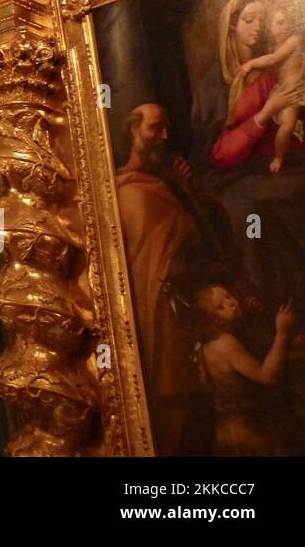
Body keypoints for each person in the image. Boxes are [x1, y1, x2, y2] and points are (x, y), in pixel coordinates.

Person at [115, 102, 227, 454]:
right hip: (157, 315)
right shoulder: (123, 190)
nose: (164, 136)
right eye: (155, 128)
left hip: (188, 305)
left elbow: (209, 241)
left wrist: (191, 191)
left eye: (166, 129)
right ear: (134, 131)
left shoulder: (169, 183)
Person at [192, 284, 296, 456]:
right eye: (220, 306)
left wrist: (256, 314)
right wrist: (282, 333)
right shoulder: (225, 343)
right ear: (212, 319)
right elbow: (268, 377)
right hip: (246, 431)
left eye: (227, 296)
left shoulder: (210, 343)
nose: (231, 303)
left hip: (232, 427)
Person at [212, 0, 305, 170]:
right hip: (247, 170)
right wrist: (268, 110)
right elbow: (220, 154)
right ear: (231, 25)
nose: (258, 27)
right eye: (249, 20)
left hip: (288, 157)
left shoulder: (270, 67)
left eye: (262, 21)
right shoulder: (217, 81)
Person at [236, 4, 305, 172]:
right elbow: (273, 66)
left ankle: (279, 158)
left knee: (287, 126)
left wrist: (250, 63)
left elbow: (274, 60)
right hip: (284, 93)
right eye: (274, 24)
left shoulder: (293, 40)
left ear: (291, 23)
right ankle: (280, 156)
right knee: (285, 126)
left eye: (283, 22)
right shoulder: (275, 46)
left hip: (294, 92)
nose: (279, 28)